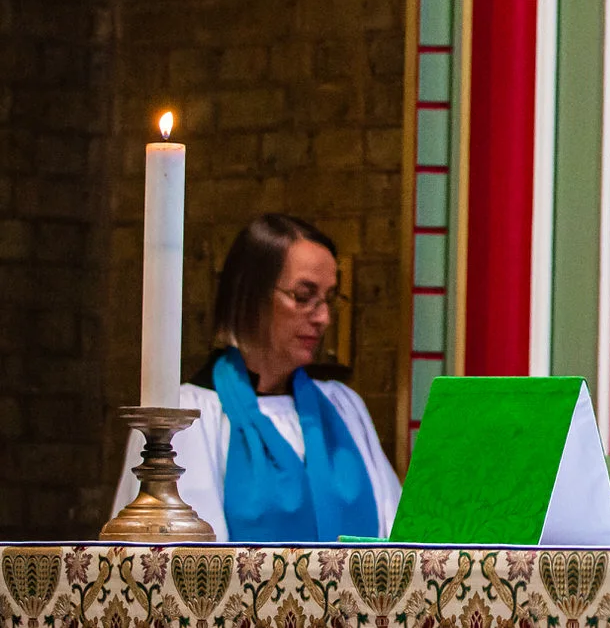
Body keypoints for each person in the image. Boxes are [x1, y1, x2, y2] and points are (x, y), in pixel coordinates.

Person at [112, 214, 400, 540]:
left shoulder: (344, 408)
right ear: (251, 294)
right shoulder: (185, 420)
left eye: (329, 298)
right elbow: (186, 558)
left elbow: (400, 537)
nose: (323, 318)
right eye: (303, 296)